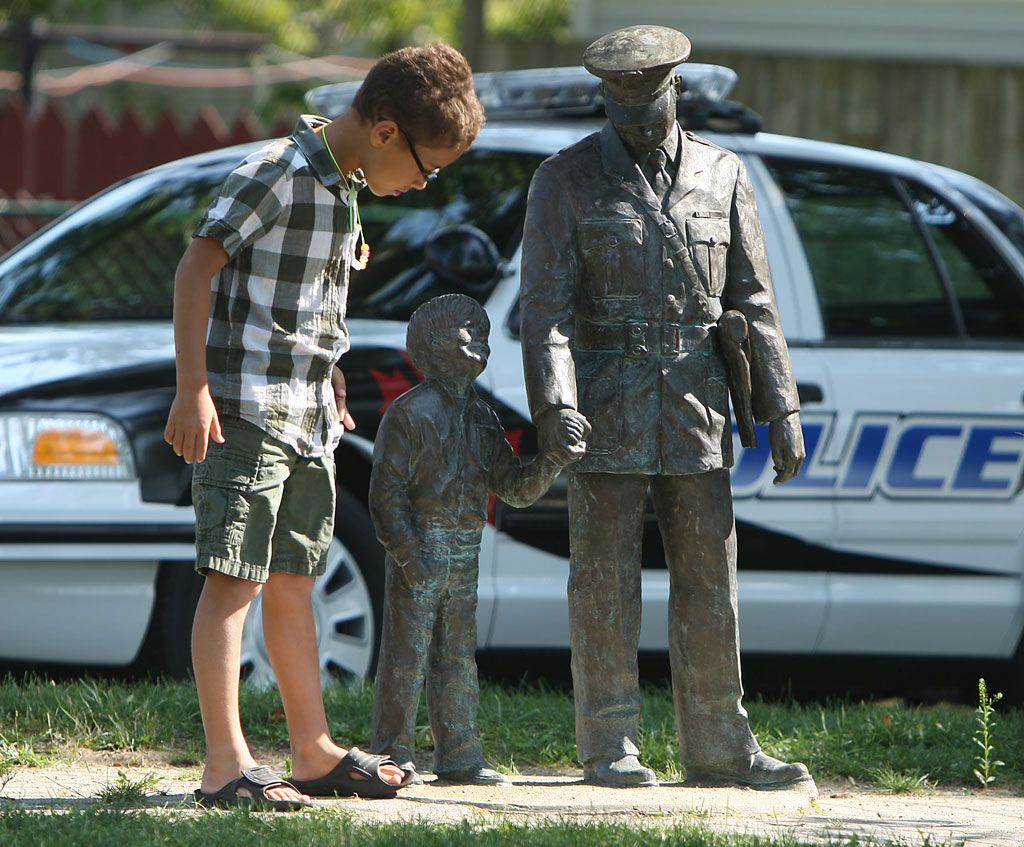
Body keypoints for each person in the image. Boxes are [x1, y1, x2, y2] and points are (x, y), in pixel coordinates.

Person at [164, 44, 485, 808]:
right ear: (384, 131)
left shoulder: (345, 186)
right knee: (231, 581)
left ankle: (310, 749)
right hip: (245, 411)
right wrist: (191, 389)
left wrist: (331, 368)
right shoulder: (278, 172)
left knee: (294, 580)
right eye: (426, 167)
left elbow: (303, 304)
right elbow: (195, 269)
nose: (422, 185)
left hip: (308, 420)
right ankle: (224, 763)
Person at [519, 25, 814, 790]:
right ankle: (608, 741)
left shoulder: (724, 175)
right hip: (606, 403)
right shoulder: (564, 180)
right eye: (623, 113)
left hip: (698, 403)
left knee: (710, 577)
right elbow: (544, 310)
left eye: (648, 110)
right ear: (604, 103)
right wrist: (555, 405)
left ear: (676, 91)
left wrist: (781, 407)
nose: (638, 126)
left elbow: (753, 296)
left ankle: (720, 743)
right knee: (603, 578)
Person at [369, 294, 587, 785]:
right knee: (405, 657)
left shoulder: (483, 418)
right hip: (420, 550)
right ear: (437, 344)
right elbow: (386, 496)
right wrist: (410, 556)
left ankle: (460, 754)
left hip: (465, 551)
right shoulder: (410, 414)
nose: (483, 341)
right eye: (472, 331)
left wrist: (552, 459)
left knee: (457, 658)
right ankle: (392, 753)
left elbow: (514, 488)